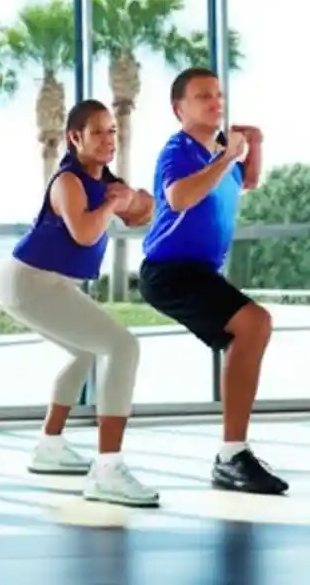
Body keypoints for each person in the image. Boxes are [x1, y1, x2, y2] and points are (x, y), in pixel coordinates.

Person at [0, 99, 158, 507]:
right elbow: (85, 232)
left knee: (86, 352)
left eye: (112, 131)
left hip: (46, 282)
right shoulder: (68, 182)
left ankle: (49, 445)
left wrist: (130, 198)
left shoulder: (105, 182)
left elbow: (144, 212)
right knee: (123, 346)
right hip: (28, 281)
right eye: (98, 131)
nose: (108, 139)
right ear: (74, 137)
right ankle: (108, 469)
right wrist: (113, 204)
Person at [138, 67, 287, 496]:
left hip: (198, 272)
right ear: (178, 108)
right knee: (254, 323)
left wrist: (252, 146)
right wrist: (227, 158)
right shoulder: (179, 149)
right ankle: (231, 456)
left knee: (251, 329)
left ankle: (232, 454)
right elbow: (179, 197)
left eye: (218, 94)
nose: (215, 102)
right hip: (169, 272)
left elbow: (248, 181)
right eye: (203, 96)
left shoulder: (217, 154)